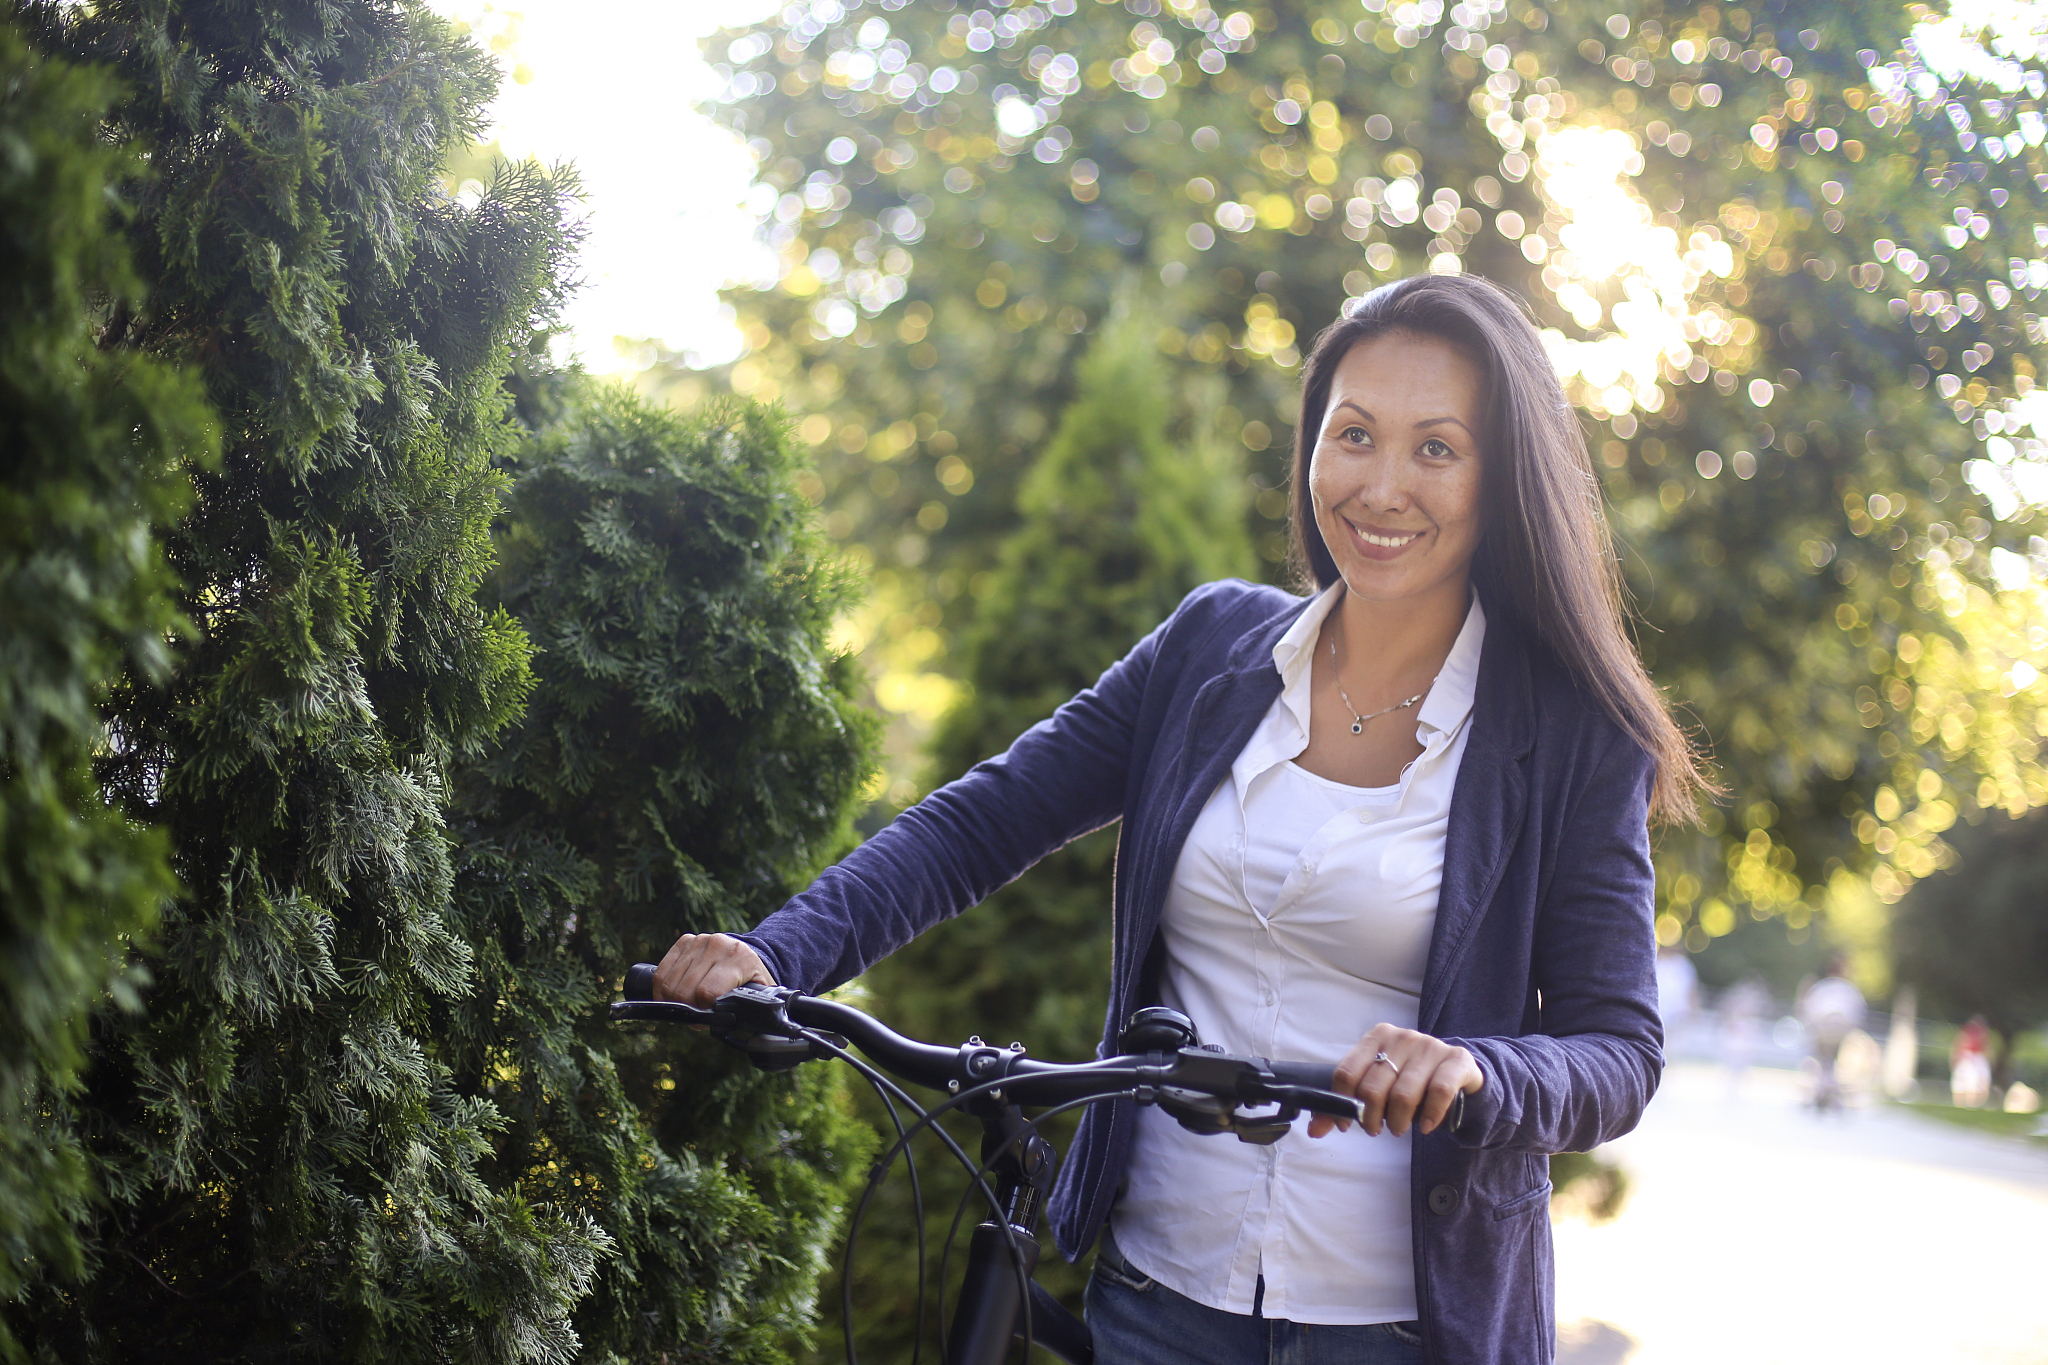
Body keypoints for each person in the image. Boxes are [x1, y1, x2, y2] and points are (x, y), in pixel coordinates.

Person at [653, 275, 1710, 1365]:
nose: (1381, 485)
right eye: (1352, 434)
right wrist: (778, 954)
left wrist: (1479, 1072)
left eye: (1435, 448)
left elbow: (1617, 1050)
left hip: (1405, 1329)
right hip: (1157, 1299)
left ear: (1504, 479)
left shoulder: (1571, 735)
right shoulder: (1210, 649)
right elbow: (983, 821)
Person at [1797, 954, 1867, 1113]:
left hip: (1823, 1033)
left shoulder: (1822, 988)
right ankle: (1826, 1092)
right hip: (1838, 1033)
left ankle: (1823, 1091)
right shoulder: (1849, 990)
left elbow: (1808, 1011)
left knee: (1823, 1062)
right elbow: (1858, 1015)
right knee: (1830, 1063)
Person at [1950, 1014, 1992, 1109]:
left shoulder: (1981, 1035)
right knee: (1963, 1085)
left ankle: (1971, 1105)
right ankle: (1962, 1106)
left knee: (1974, 1085)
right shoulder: (1967, 1035)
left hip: (1974, 1059)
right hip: (1968, 1059)